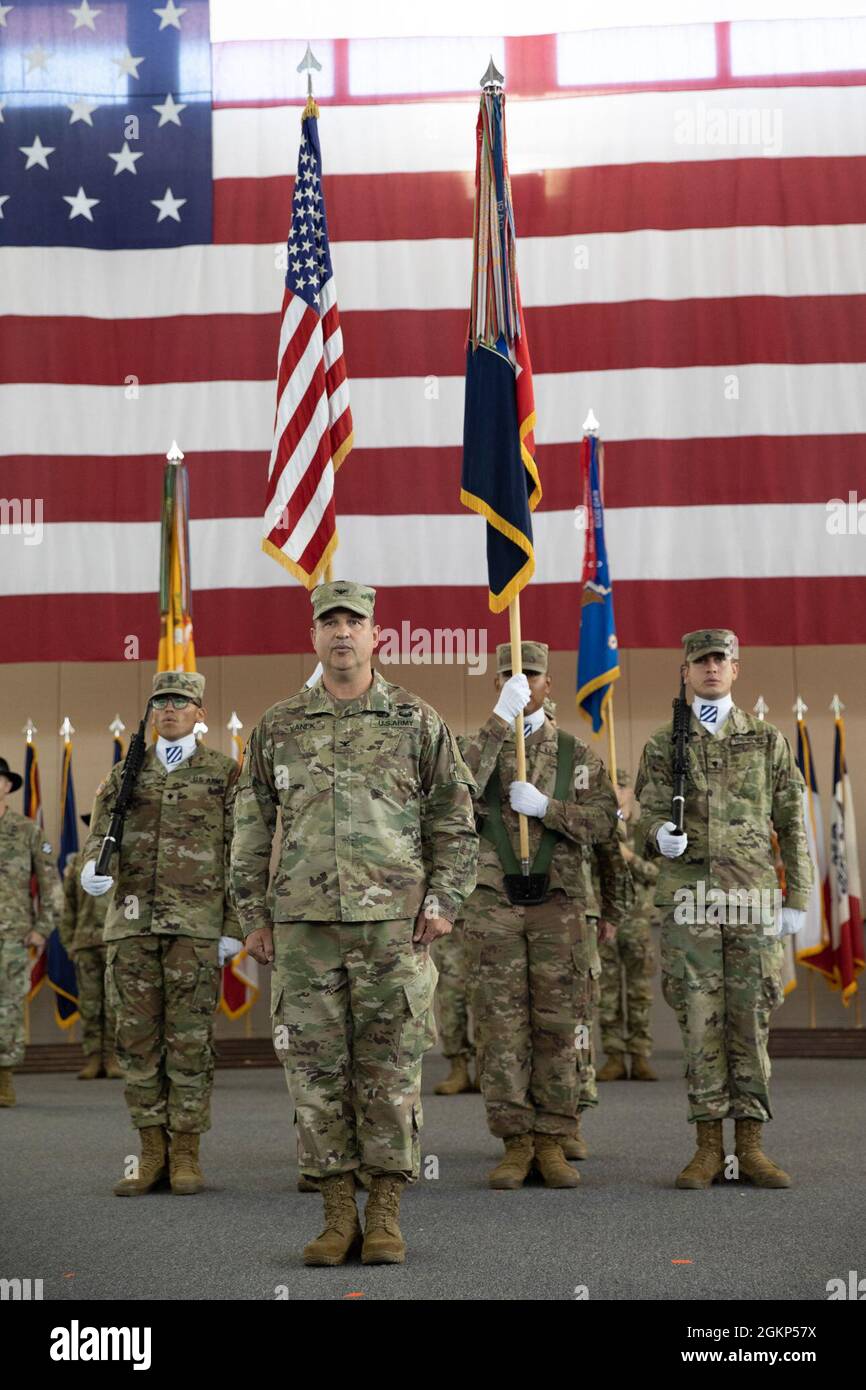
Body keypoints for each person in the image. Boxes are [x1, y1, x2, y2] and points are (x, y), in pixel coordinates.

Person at [231, 581, 477, 1266]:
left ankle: (387, 1214)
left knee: (391, 1071)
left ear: (377, 635)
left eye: (355, 621)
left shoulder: (415, 720)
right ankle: (337, 1215)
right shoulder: (279, 726)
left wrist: (445, 900)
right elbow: (249, 827)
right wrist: (253, 913)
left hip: (394, 929)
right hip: (305, 930)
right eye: (330, 622)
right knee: (314, 1074)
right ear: (313, 636)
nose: (343, 632)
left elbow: (455, 821)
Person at [635, 629, 812, 1189]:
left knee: (750, 1019)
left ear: (737, 669)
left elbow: (792, 822)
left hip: (753, 901)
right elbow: (641, 816)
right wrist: (657, 832)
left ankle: (752, 1146)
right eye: (700, 660)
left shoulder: (766, 741)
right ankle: (708, 1146)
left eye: (721, 659)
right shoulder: (665, 744)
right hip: (690, 904)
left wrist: (798, 898)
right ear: (685, 671)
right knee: (699, 1021)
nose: (711, 668)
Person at [460, 641, 619, 1190]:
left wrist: (548, 809)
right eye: (510, 673)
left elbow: (605, 826)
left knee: (559, 1025)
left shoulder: (578, 755)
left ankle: (553, 1140)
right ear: (498, 683)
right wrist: (500, 720)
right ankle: (514, 1142)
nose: (522, 680)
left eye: (531, 673)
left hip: (559, 907)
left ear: (549, 685)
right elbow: (452, 798)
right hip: (494, 906)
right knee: (500, 1028)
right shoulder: (475, 749)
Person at [81, 672, 242, 1196]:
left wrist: (235, 926)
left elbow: (244, 852)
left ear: (200, 713)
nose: (169, 710)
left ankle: (187, 1152)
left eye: (181, 702)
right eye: (161, 703)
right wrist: (91, 871)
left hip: (195, 928)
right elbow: (100, 836)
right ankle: (151, 1150)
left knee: (190, 1042)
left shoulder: (223, 773)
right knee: (136, 1041)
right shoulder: (125, 774)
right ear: (151, 714)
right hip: (130, 925)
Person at [0, 756, 60, 1108]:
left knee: (6, 1009)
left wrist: (42, 928)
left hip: (11, 935)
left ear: (8, 786)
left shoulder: (27, 831)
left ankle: (4, 1079)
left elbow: (51, 884)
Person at [597, 770, 659, 1083]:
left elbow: (656, 873)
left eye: (621, 786)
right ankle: (614, 1056)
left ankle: (640, 1054)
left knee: (639, 990)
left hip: (637, 920)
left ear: (631, 791)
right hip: (607, 918)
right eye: (610, 786)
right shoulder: (599, 829)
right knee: (606, 990)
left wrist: (629, 856)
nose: (616, 792)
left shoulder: (644, 831)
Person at [60, 814, 121, 1080]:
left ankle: (113, 1057)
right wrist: (69, 942)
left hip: (114, 941)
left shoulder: (122, 859)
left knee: (114, 1004)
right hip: (85, 942)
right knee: (89, 1004)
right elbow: (68, 907)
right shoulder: (77, 863)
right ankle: (93, 1057)